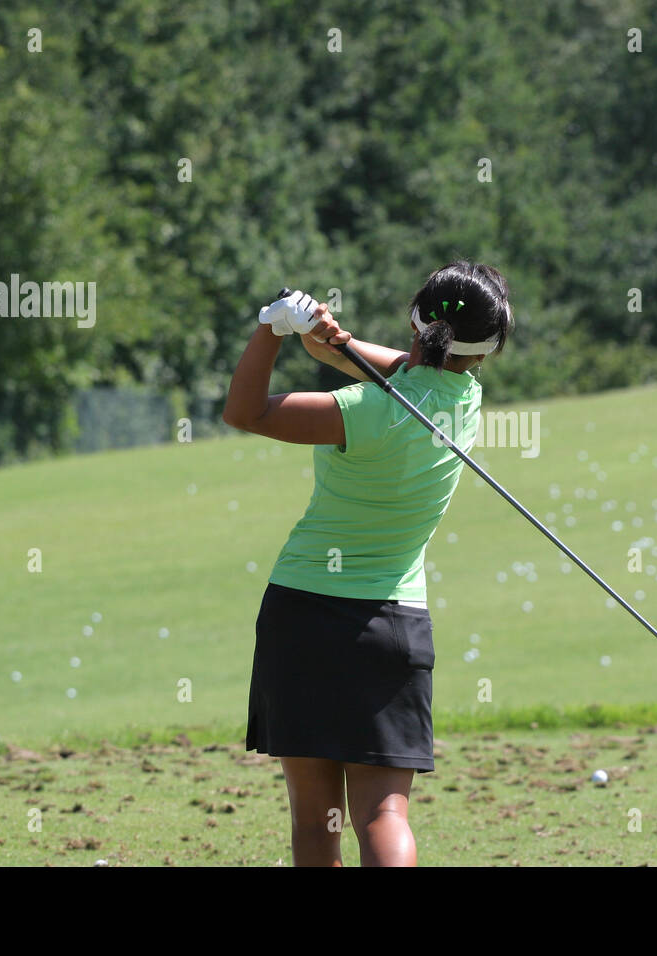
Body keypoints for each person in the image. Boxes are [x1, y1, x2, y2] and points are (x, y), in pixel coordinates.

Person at [221, 261, 514, 866]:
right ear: (488, 347)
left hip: (302, 615)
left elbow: (245, 413)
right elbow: (388, 364)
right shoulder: (464, 398)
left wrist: (270, 329)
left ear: (415, 320)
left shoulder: (358, 409)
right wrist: (330, 336)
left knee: (314, 819)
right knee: (383, 815)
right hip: (393, 627)